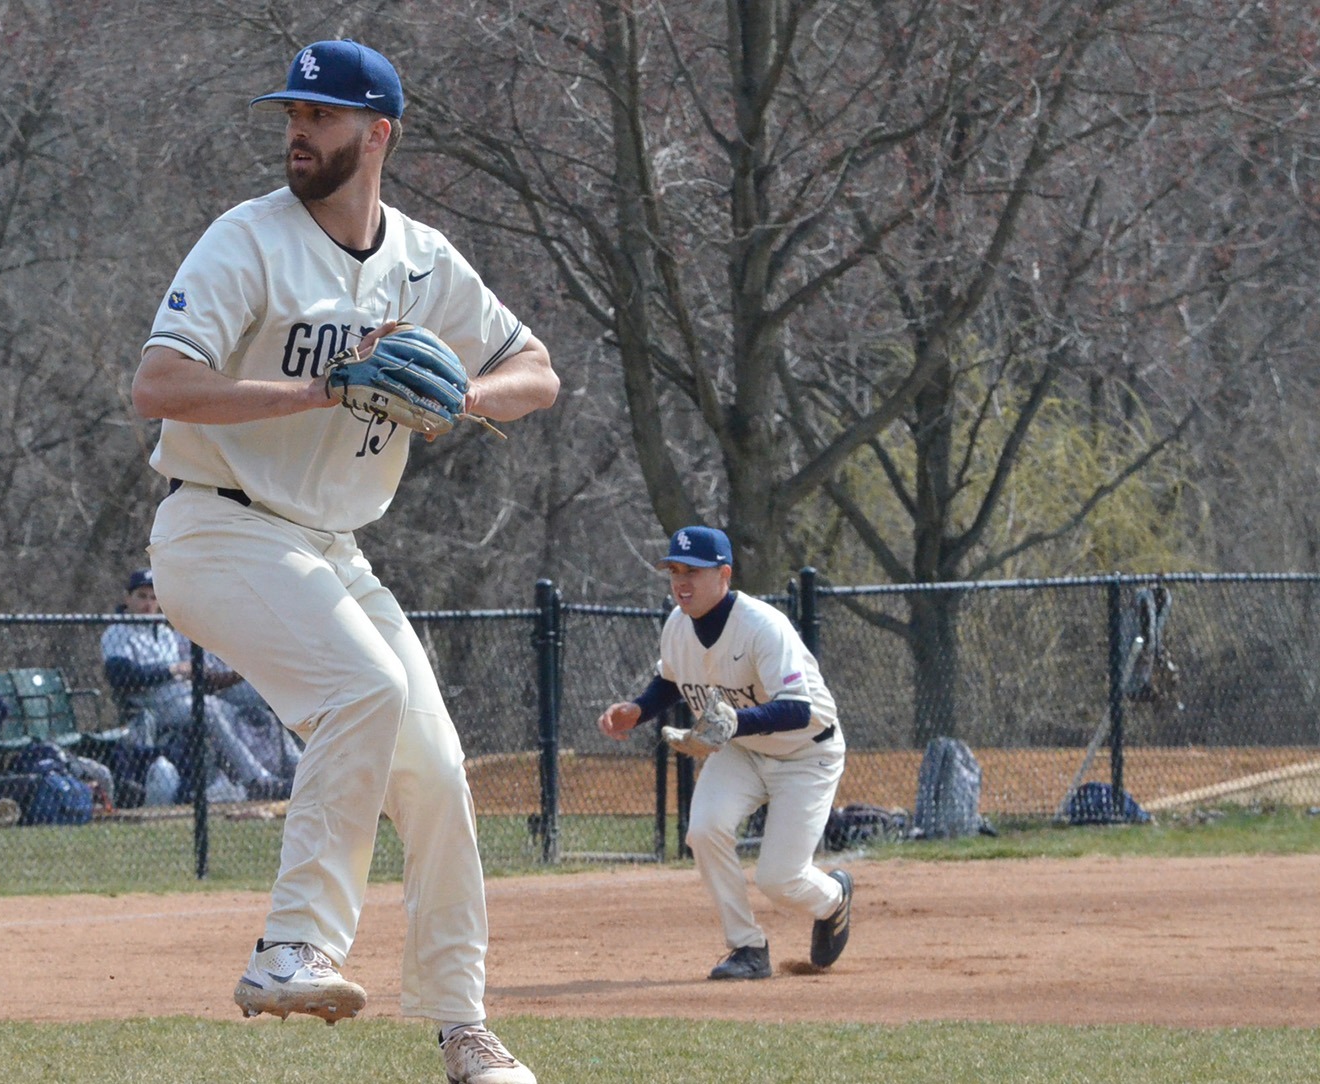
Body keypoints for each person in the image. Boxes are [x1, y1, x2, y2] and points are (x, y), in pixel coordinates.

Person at [130, 40, 558, 1084]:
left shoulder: (421, 258)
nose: (297, 131)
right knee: (362, 690)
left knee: (440, 775)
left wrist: (456, 402)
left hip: (331, 547)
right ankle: (291, 947)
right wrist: (329, 390)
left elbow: (536, 372)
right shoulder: (249, 242)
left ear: (379, 135)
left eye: (320, 116)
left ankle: (464, 1031)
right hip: (218, 525)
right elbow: (158, 383)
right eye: (292, 112)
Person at [597, 526, 854, 981]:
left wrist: (735, 721)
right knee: (704, 829)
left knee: (779, 879)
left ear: (724, 575)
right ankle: (748, 947)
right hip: (742, 750)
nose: (682, 582)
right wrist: (637, 710)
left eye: (693, 571)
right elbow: (672, 681)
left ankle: (833, 898)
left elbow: (797, 710)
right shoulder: (677, 626)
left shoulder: (762, 626)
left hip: (806, 754)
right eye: (675, 570)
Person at [99, 569, 290, 803]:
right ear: (127, 598)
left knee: (239, 709)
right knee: (208, 708)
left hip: (185, 697)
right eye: (142, 596)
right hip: (151, 706)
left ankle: (274, 775)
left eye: (153, 597)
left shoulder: (163, 631)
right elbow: (121, 675)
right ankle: (256, 780)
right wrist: (172, 670)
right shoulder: (117, 631)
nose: (148, 603)